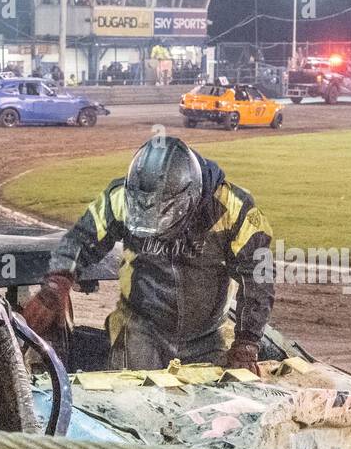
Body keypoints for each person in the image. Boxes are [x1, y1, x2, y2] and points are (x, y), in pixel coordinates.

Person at [22, 136, 275, 373]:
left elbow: (258, 278)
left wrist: (247, 342)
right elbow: (80, 238)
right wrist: (57, 282)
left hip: (207, 336)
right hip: (140, 328)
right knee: (128, 404)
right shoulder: (119, 197)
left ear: (192, 197)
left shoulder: (235, 210)